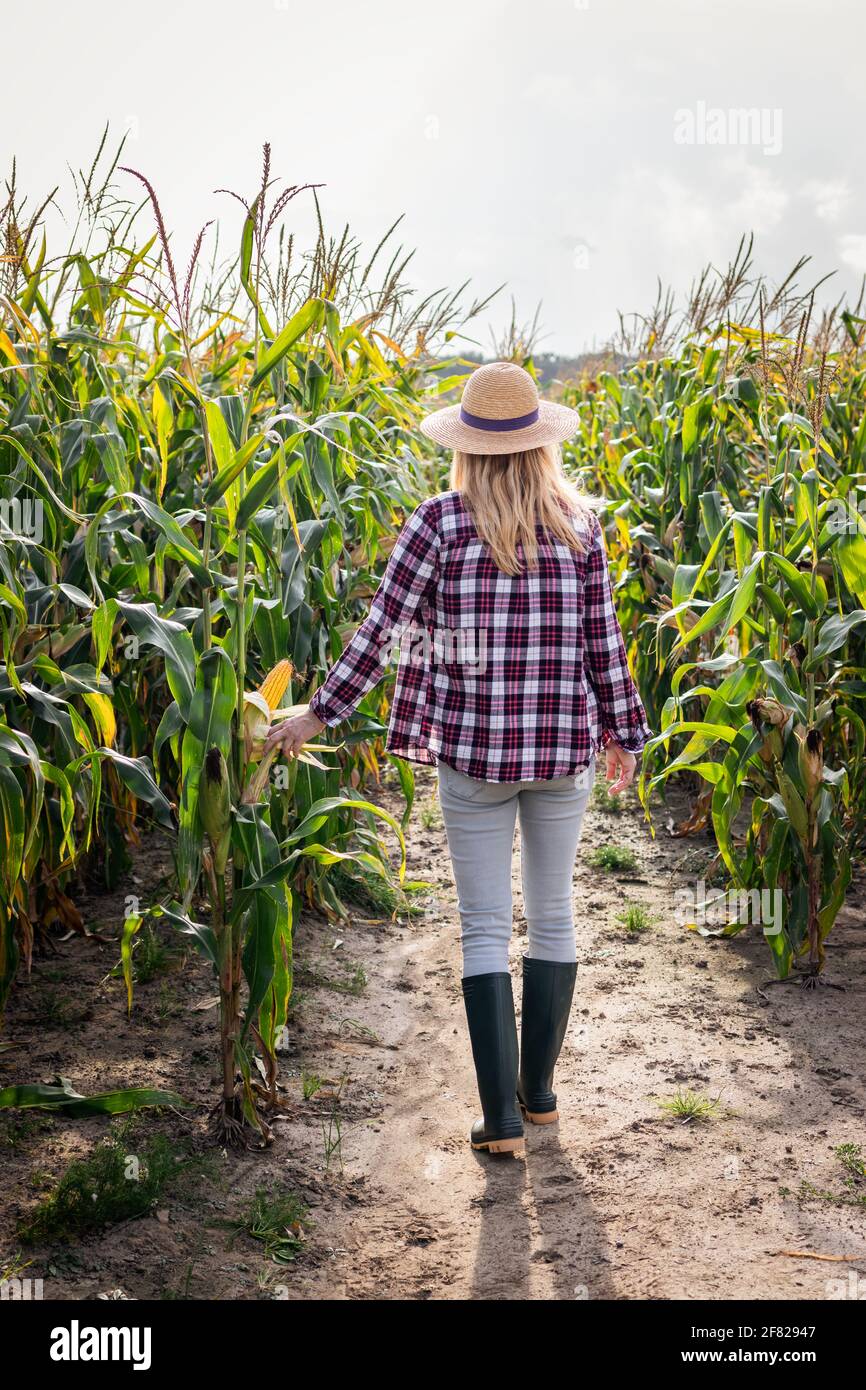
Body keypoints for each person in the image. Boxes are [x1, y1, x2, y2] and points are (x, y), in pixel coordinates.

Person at [266, 362, 651, 1158]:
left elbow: (382, 632)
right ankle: (538, 1095)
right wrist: (625, 733)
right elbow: (602, 642)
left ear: (468, 448)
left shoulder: (437, 523)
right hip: (560, 748)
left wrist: (319, 712)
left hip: (473, 753)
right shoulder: (582, 524)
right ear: (540, 446)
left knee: (483, 927)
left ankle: (500, 1121)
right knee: (553, 915)